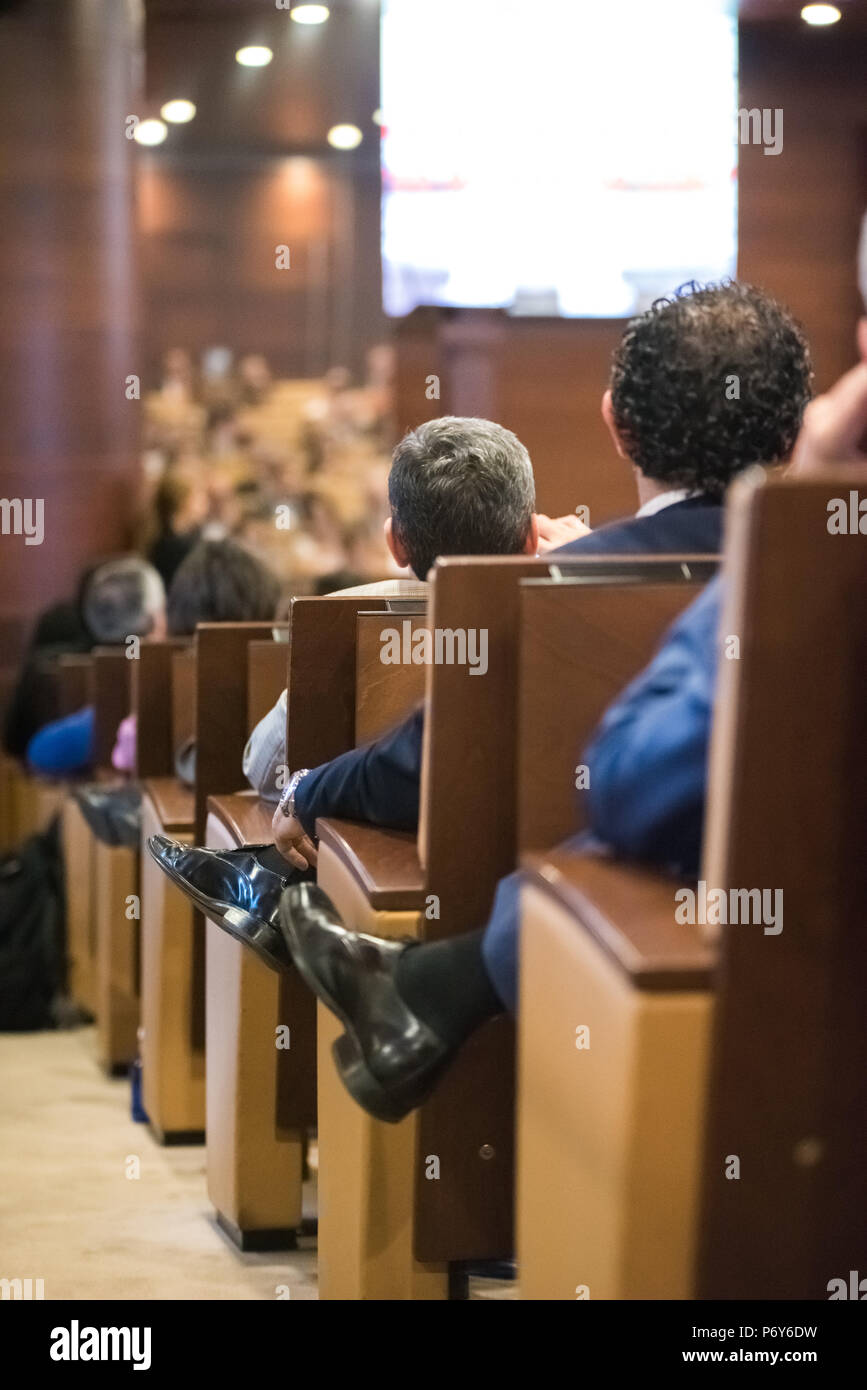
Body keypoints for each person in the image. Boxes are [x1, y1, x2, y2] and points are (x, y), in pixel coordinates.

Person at [149, 280, 815, 1111]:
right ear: (793, 432)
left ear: (616, 422)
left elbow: (439, 755)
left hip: (604, 946)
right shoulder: (828, 577)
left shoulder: (568, 584)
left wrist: (311, 791)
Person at [242, 415, 543, 802]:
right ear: (533, 537)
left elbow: (262, 769)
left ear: (395, 543)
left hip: (360, 847)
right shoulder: (564, 616)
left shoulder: (338, 620)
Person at [23, 559, 167, 777]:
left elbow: (39, 752)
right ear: (156, 621)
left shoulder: (113, 668)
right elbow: (40, 751)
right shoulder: (139, 675)